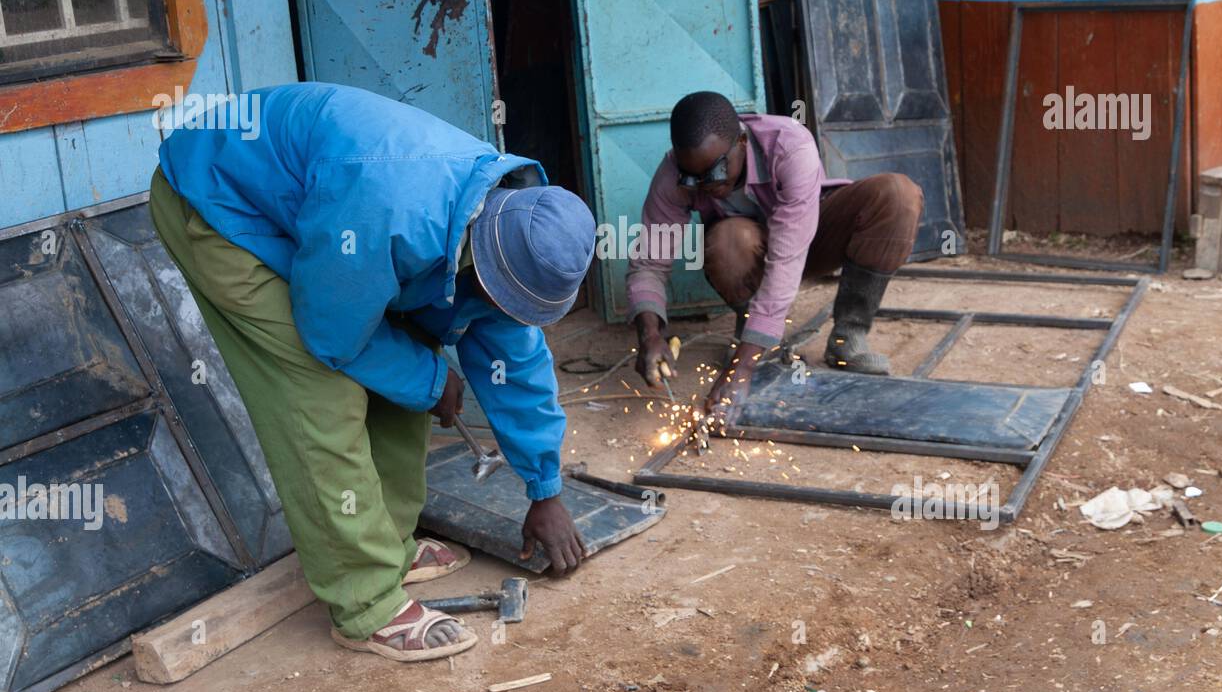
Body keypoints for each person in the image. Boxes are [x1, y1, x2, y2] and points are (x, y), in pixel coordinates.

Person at [150, 82, 594, 662]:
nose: (505, 311)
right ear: (483, 255)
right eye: (501, 295)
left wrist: (544, 488)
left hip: (317, 216)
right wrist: (433, 381)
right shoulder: (392, 206)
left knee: (410, 352)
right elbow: (331, 336)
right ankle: (365, 603)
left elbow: (514, 349)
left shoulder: (511, 222)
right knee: (320, 391)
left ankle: (387, 540)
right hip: (220, 205)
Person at [627, 91, 923, 414]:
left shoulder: (789, 145)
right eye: (692, 177)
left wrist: (741, 370)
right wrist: (651, 333)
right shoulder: (674, 175)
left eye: (713, 171)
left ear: (741, 141)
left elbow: (785, 260)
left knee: (898, 195)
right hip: (748, 252)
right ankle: (755, 338)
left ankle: (847, 337)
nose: (703, 184)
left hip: (810, 239)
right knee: (729, 240)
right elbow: (648, 264)